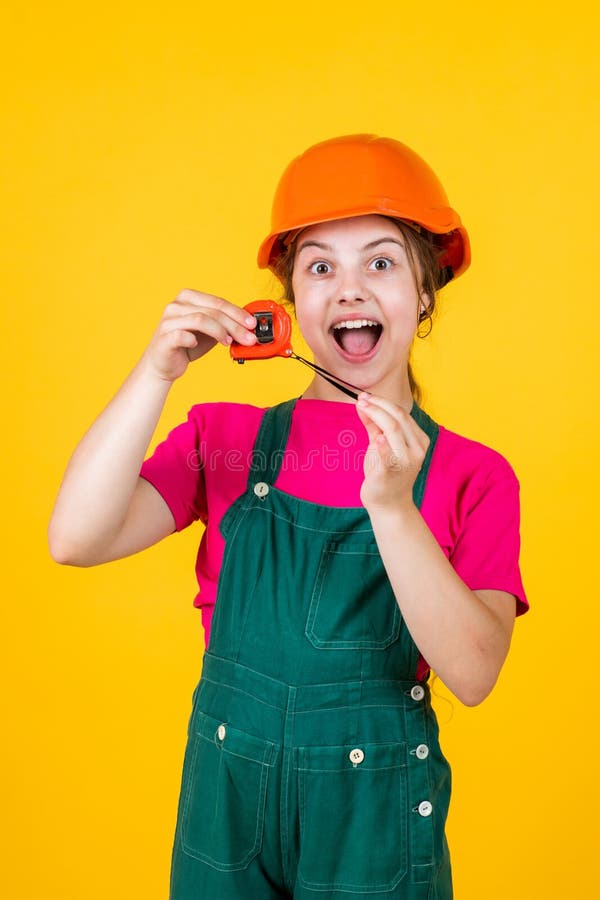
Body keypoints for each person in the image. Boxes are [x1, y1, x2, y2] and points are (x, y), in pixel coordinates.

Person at [48, 134, 528, 899]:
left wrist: (395, 510)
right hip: (226, 805)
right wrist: (155, 371)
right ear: (289, 301)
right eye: (320, 267)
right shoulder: (223, 441)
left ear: (426, 290)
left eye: (381, 261)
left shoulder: (476, 476)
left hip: (373, 821)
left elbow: (473, 674)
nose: (350, 289)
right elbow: (75, 538)